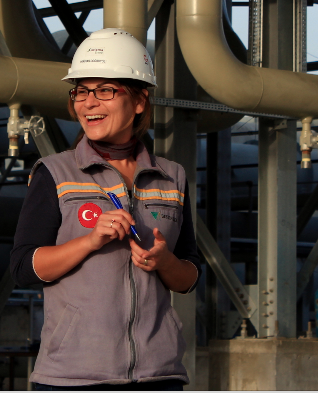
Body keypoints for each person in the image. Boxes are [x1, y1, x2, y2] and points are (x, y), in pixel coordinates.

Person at [10, 28, 201, 390]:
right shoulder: (55, 173)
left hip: (158, 376)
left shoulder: (171, 177)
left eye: (105, 90)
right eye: (81, 91)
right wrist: (90, 241)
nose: (88, 103)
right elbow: (23, 268)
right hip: (74, 377)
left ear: (140, 101)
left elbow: (189, 277)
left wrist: (165, 262)